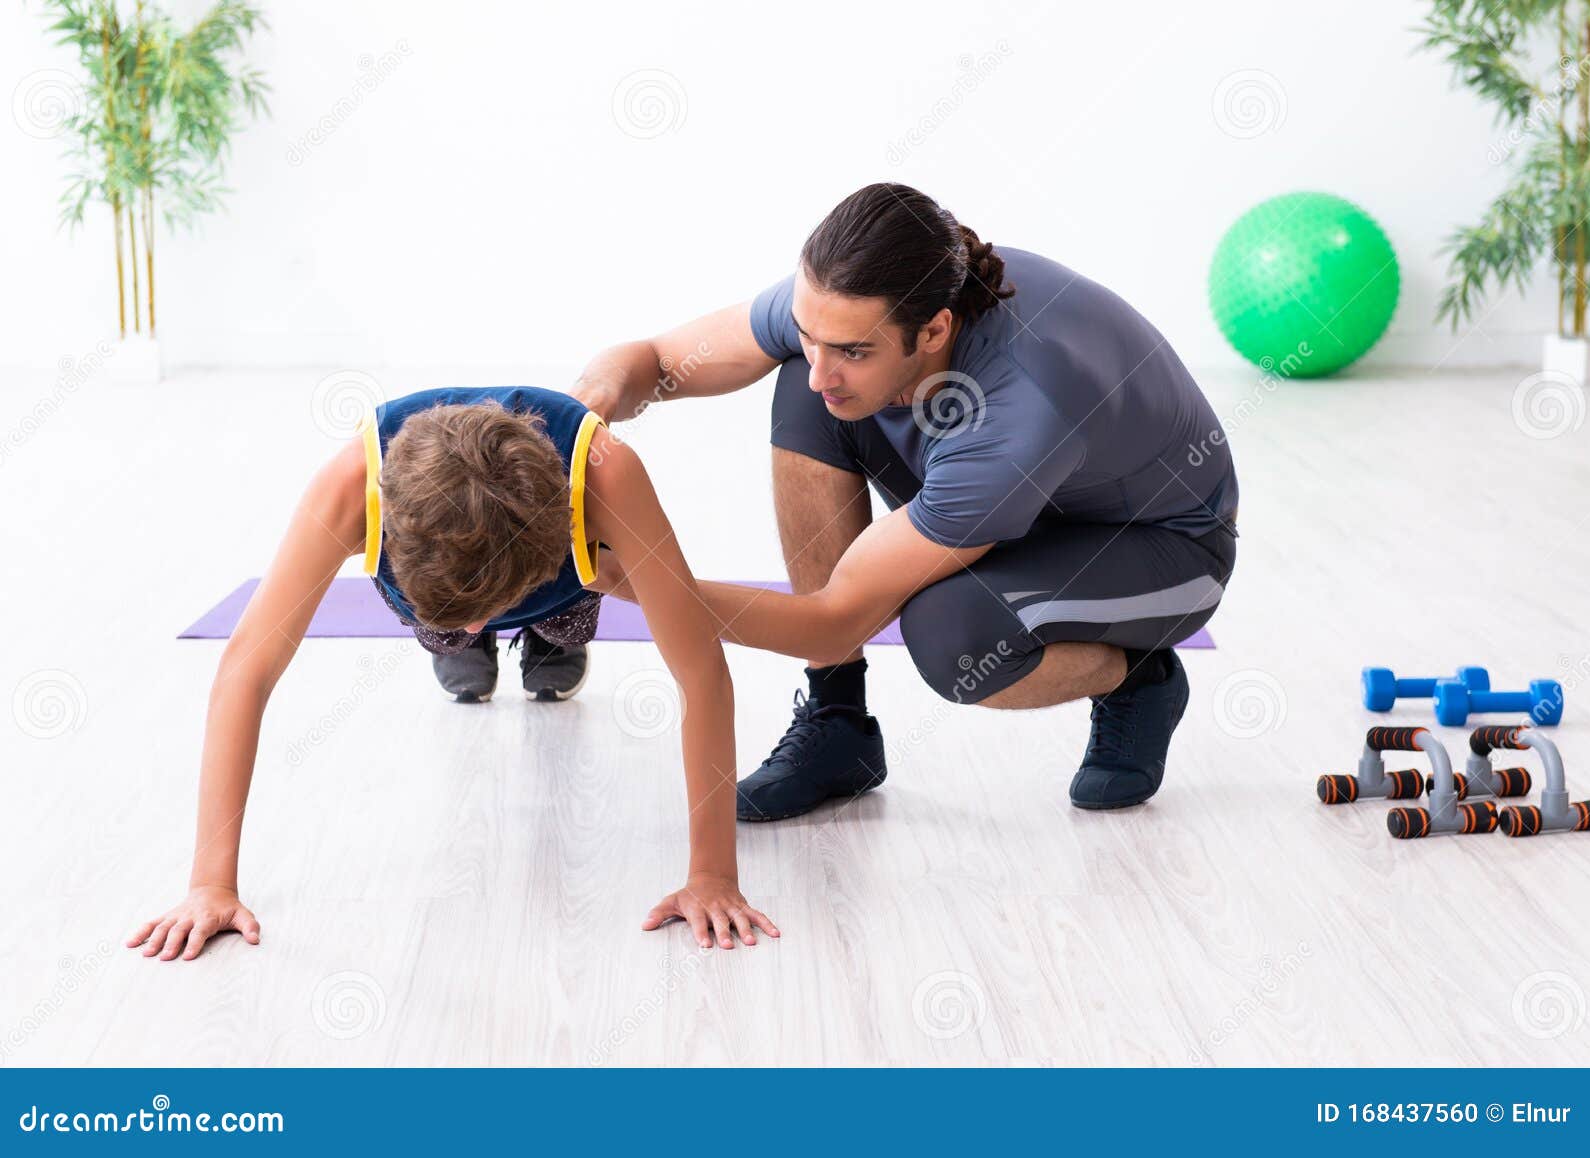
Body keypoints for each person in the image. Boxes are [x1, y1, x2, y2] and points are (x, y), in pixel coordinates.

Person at [576, 183, 1239, 821]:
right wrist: (581, 415)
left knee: (954, 639)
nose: (821, 362)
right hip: (1027, 496)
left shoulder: (1016, 416)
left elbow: (836, 620)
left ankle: (1137, 676)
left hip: (1162, 546)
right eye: (810, 334)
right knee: (811, 397)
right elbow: (661, 360)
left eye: (852, 351)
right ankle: (837, 725)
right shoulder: (848, 303)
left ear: (933, 330)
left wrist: (634, 583)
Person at [129, 386, 778, 961]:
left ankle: (547, 634)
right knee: (450, 635)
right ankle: (446, 635)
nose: (476, 626)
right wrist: (210, 883)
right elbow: (248, 666)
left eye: (483, 617)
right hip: (440, 585)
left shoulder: (606, 474)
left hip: (564, 577)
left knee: (565, 621)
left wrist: (714, 874)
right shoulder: (352, 484)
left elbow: (700, 672)